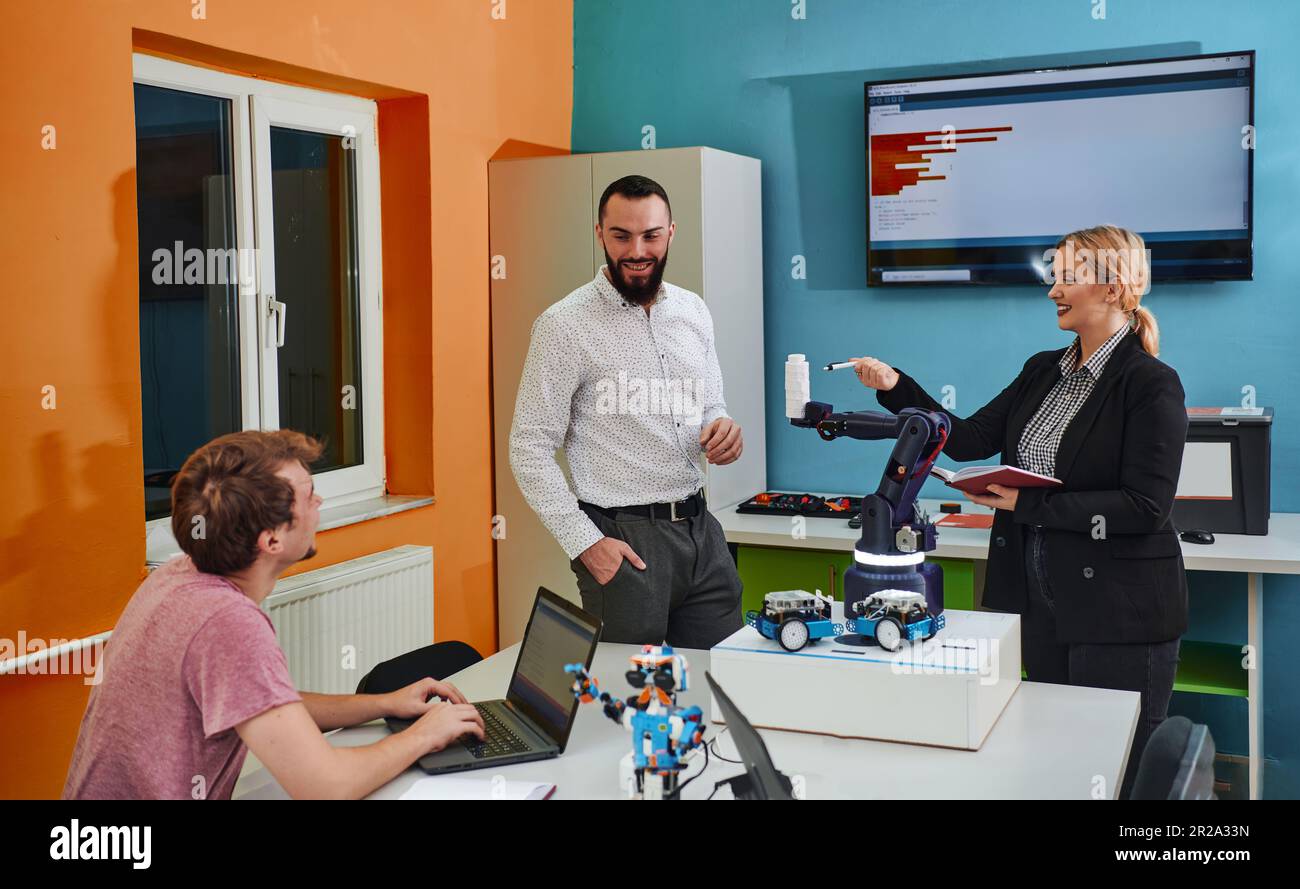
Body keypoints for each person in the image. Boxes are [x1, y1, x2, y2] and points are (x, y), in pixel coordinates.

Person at [852, 225, 1187, 800]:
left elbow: (1145, 507)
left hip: (1119, 615)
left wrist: (1027, 503)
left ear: (1113, 289)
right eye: (1053, 276)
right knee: (1062, 766)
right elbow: (966, 438)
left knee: (1122, 776)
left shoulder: (1150, 384)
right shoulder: (1043, 369)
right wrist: (896, 387)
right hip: (1037, 605)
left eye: (1068, 277)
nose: (1053, 289)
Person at [63, 430, 483, 799]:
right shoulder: (227, 622)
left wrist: (384, 703)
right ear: (271, 541)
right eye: (308, 495)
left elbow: (267, 705)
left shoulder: (179, 575)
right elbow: (327, 787)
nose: (320, 502)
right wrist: (424, 737)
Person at [510, 174, 744, 649]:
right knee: (628, 702)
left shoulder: (694, 312)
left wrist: (722, 430)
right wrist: (584, 542)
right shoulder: (563, 325)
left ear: (671, 233)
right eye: (621, 236)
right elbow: (528, 447)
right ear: (600, 234)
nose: (637, 249)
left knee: (719, 687)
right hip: (623, 543)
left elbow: (711, 405)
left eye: (651, 235)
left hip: (703, 535)